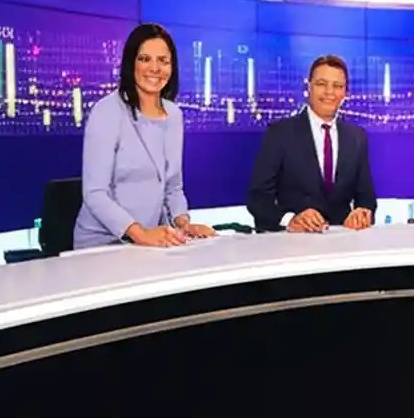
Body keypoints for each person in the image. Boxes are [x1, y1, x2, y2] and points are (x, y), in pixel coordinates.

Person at [74, 23, 217, 249]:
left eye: (163, 61)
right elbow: (95, 193)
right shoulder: (107, 111)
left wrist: (183, 223)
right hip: (103, 242)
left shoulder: (173, 115)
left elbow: (173, 186)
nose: (155, 68)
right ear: (131, 63)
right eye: (145, 59)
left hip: (147, 242)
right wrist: (140, 234)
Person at [247, 54, 377, 232]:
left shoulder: (357, 137)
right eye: (321, 84)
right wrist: (290, 219)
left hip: (343, 244)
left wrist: (363, 212)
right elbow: (257, 197)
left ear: (345, 93)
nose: (329, 92)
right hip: (293, 245)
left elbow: (367, 198)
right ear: (309, 87)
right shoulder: (280, 133)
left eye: (337, 86)